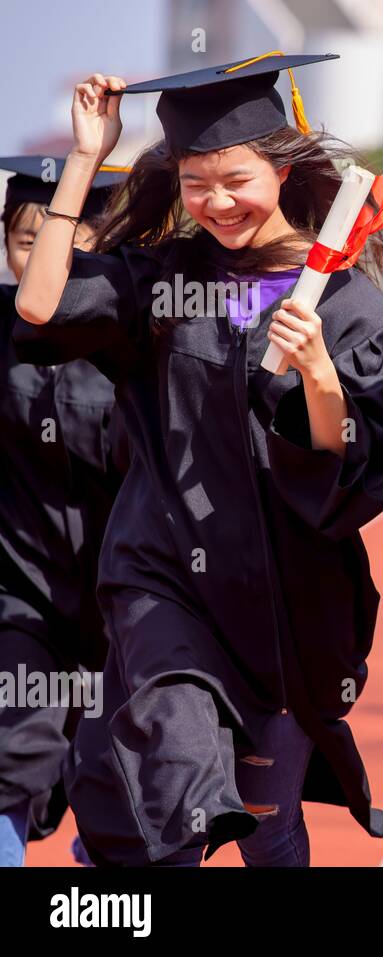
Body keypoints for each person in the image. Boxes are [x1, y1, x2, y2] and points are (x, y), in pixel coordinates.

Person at [13, 54, 383, 866]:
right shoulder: (161, 280)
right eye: (194, 182)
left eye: (235, 179)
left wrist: (318, 368)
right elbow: (39, 303)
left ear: (282, 169)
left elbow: (347, 461)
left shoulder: (348, 302)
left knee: (268, 818)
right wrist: (83, 158)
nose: (215, 202)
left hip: (287, 597)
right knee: (176, 753)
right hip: (162, 572)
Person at [0, 157, 126, 866]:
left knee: (125, 778)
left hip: (130, 600)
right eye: (30, 237)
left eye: (80, 232)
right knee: (8, 754)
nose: (53, 251)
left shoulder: (138, 324)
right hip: (23, 593)